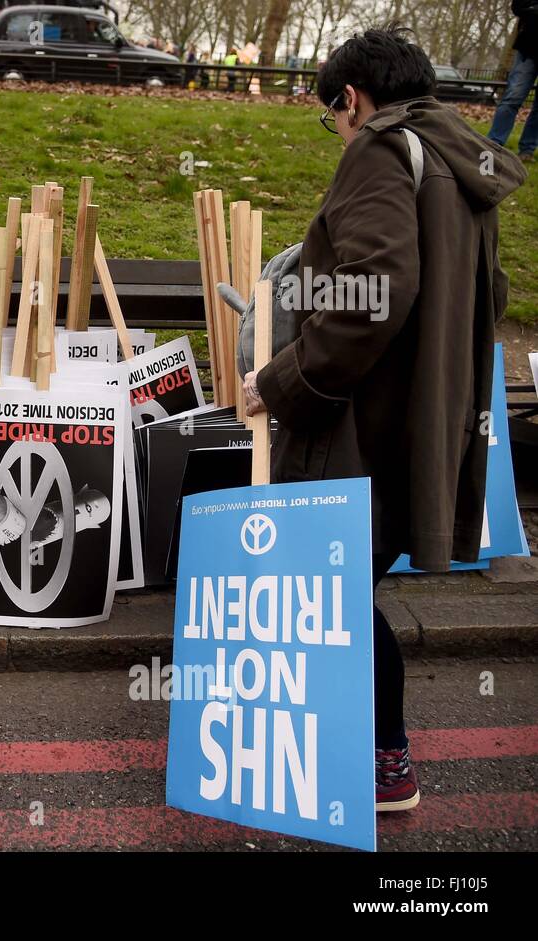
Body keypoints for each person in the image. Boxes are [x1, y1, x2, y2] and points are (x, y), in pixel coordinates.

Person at [241, 29, 525, 813]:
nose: (337, 131)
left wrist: (285, 377)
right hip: (429, 424)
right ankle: (364, 752)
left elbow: (378, 289)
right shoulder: (458, 156)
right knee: (335, 594)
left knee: (322, 596)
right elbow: (490, 296)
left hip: (362, 427)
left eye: (331, 116)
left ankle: (383, 759)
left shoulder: (379, 150)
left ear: (352, 99)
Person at [487, 0, 538, 160]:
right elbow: (518, 6)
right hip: (529, 46)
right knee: (512, 98)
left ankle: (527, 150)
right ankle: (494, 143)